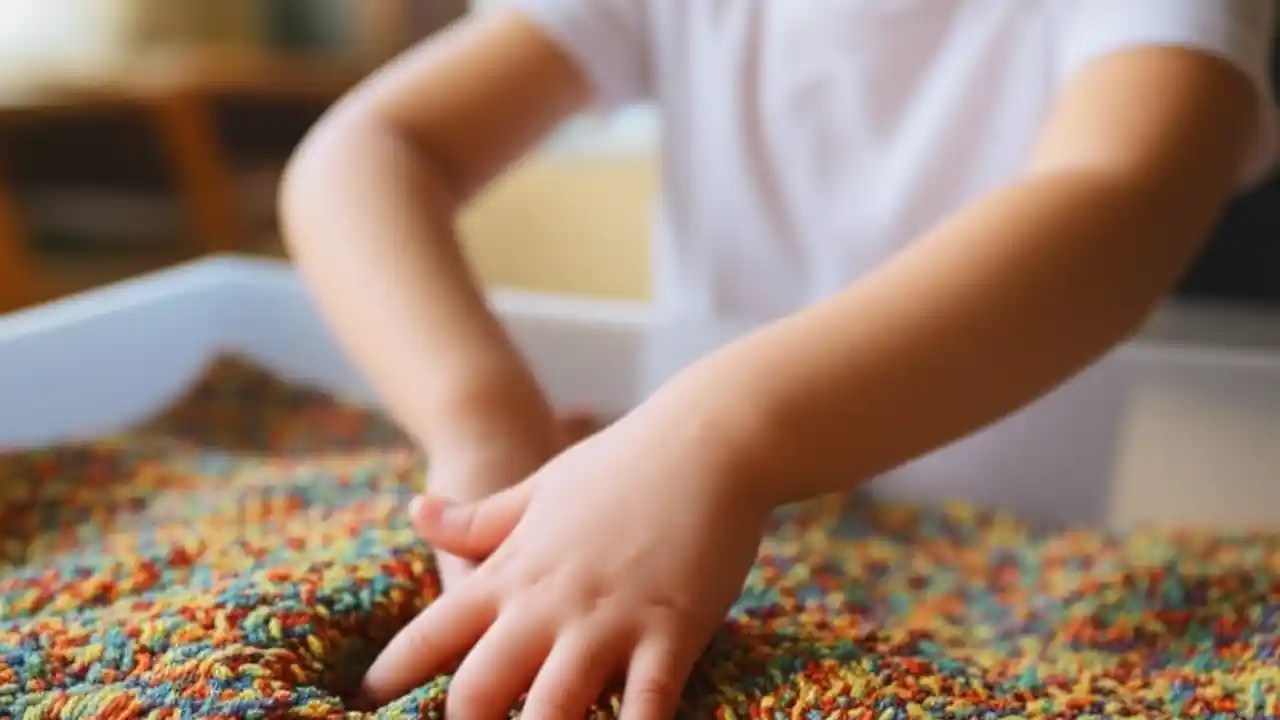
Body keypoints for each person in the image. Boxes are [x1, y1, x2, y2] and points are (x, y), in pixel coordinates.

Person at [280, 1, 1277, 717]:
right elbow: (368, 151)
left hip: (1027, 576)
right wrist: (485, 424)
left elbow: (1120, 196)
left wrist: (717, 439)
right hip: (650, 548)